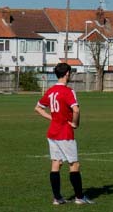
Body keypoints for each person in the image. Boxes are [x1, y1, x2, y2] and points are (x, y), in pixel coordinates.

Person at [35, 63, 93, 205]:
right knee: (74, 164)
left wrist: (52, 118)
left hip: (52, 132)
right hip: (64, 133)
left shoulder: (50, 91)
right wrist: (75, 124)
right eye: (70, 72)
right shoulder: (68, 91)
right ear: (67, 73)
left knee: (56, 163)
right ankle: (79, 198)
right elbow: (76, 110)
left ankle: (57, 198)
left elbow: (38, 108)